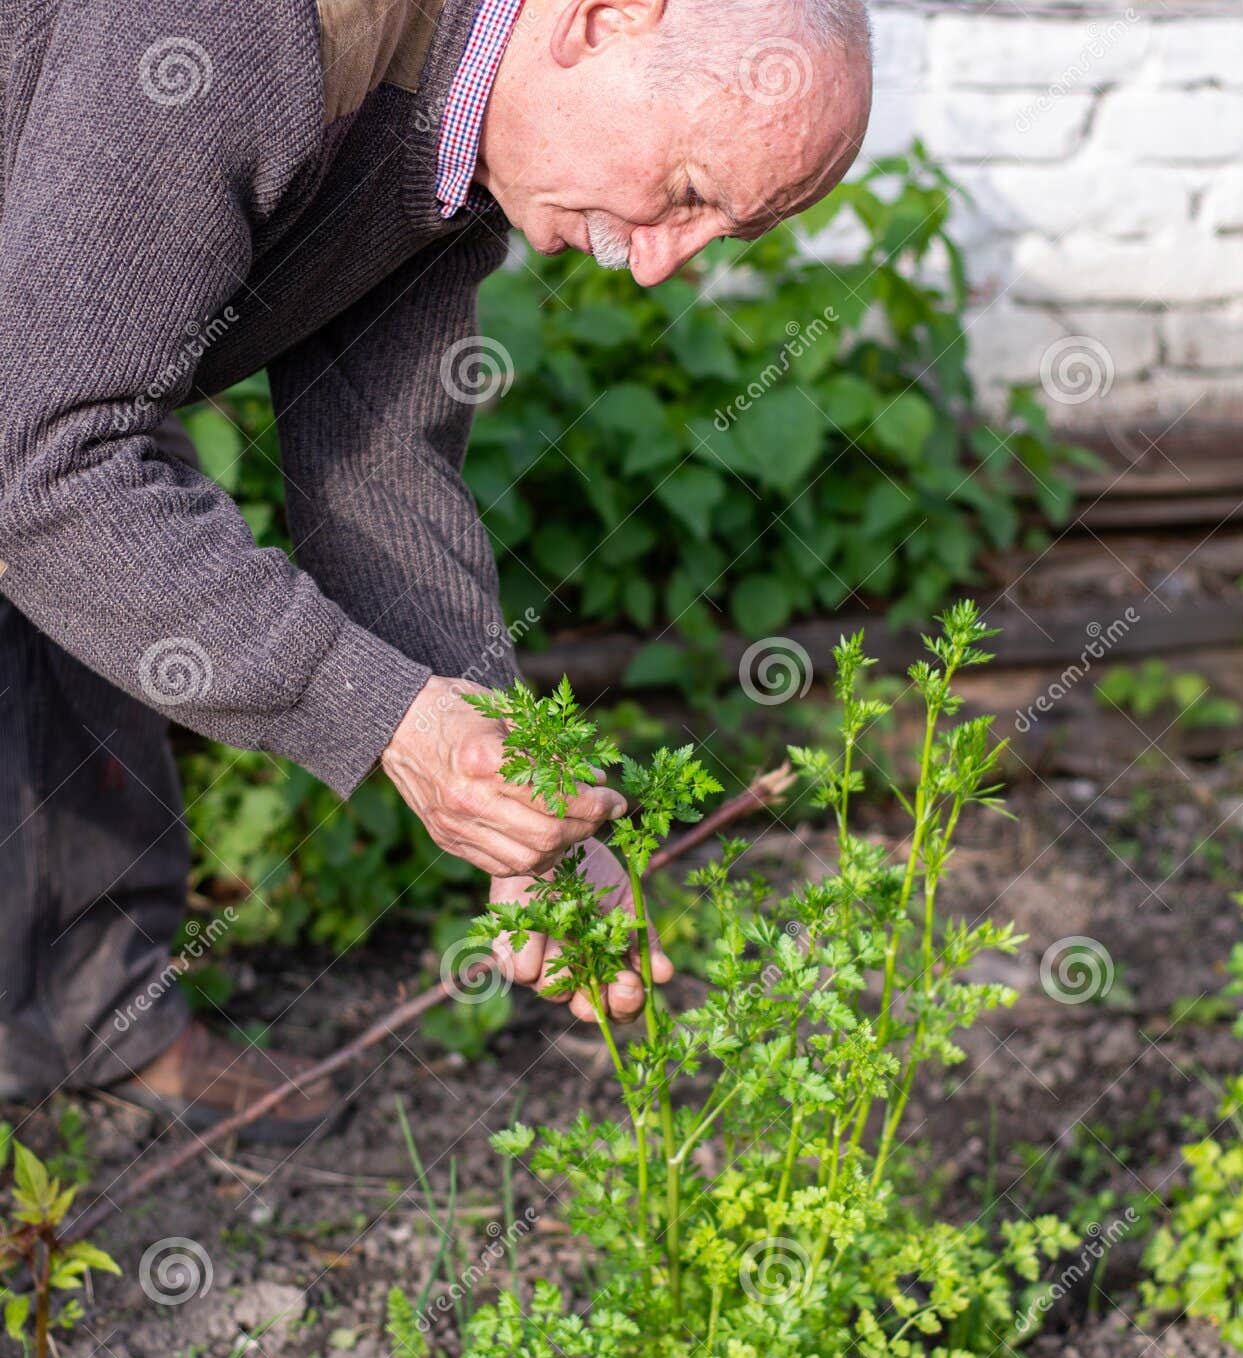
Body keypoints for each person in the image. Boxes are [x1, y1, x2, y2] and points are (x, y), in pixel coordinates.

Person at [0, 0, 872, 1136]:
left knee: (114, 516)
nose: (659, 265)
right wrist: (391, 720)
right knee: (86, 486)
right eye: (692, 191)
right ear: (606, 18)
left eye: (721, 234)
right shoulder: (239, 32)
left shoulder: (454, 148)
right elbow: (39, 467)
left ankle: (89, 1011)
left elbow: (377, 478)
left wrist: (523, 802)